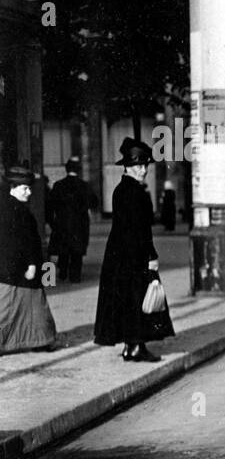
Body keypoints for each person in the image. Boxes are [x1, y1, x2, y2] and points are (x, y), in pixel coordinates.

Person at [94, 138, 174, 363]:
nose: (144, 169)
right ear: (127, 167)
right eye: (138, 165)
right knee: (139, 298)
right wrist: (151, 256)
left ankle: (130, 346)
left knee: (127, 300)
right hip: (135, 255)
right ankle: (137, 345)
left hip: (119, 254)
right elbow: (141, 230)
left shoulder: (121, 189)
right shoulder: (137, 192)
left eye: (145, 165)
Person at [0, 165, 57, 353]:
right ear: (13, 188)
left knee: (30, 306)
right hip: (21, 269)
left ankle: (40, 340)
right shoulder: (17, 211)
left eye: (29, 187)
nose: (29, 191)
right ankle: (40, 339)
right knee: (12, 308)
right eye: (24, 188)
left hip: (14, 268)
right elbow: (23, 241)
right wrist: (31, 264)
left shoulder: (10, 207)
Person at [48, 157, 96, 283]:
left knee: (63, 249)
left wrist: (54, 222)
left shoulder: (58, 185)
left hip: (62, 223)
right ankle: (75, 277)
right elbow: (94, 202)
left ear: (66, 169)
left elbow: (50, 205)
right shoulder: (84, 186)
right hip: (79, 225)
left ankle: (63, 272)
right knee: (77, 252)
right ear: (78, 170)